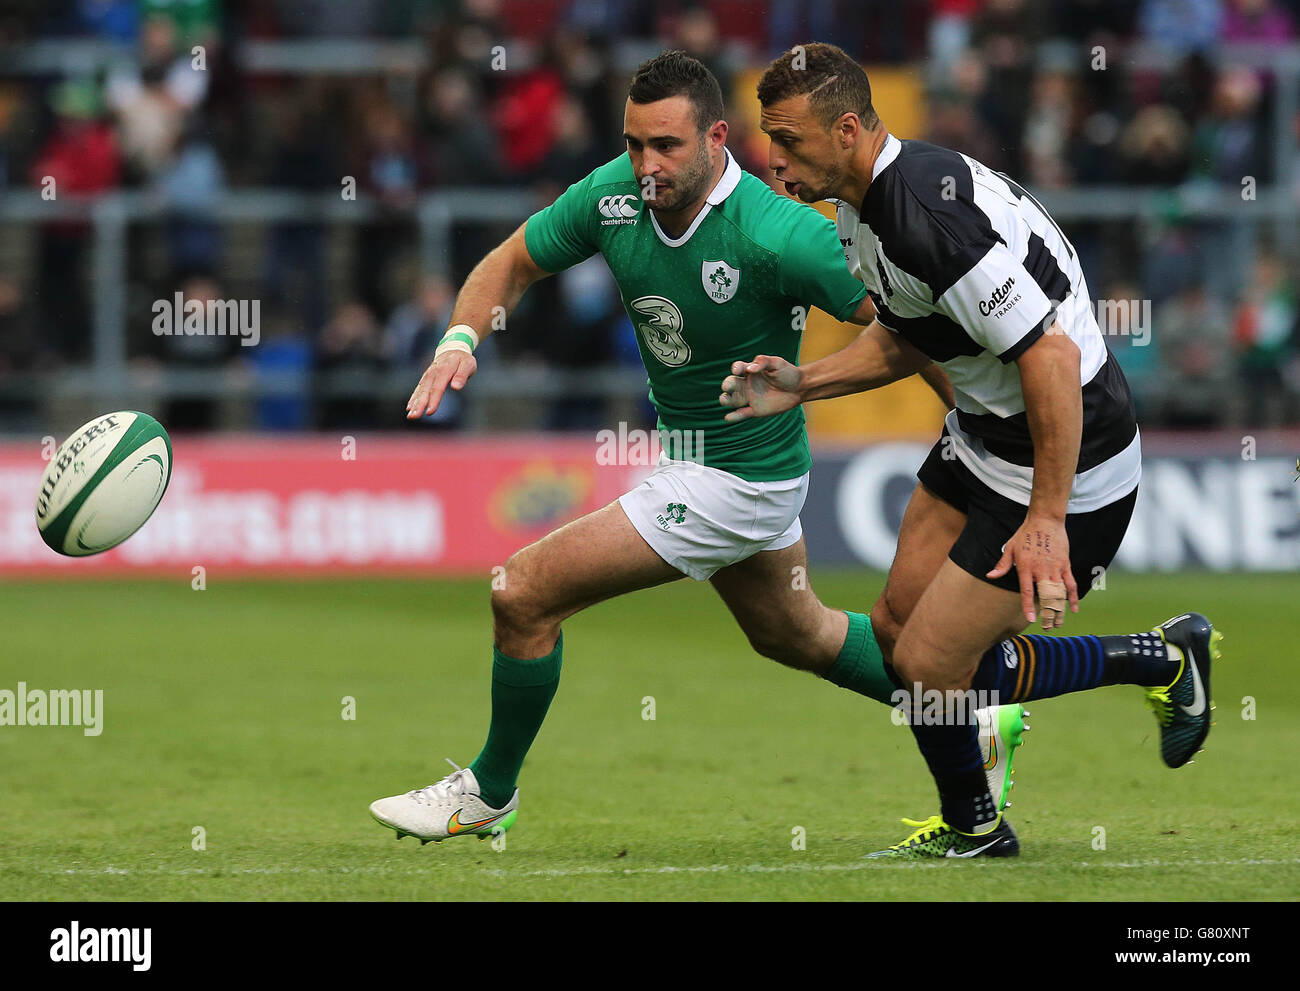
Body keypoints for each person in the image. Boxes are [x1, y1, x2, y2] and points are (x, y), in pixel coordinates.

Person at [369, 51, 1026, 847]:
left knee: (522, 591)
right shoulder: (612, 195)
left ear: (718, 137)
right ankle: (973, 721)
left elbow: (913, 329)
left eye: (667, 146)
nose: (646, 165)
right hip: (693, 461)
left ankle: (489, 791)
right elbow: (513, 260)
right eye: (635, 143)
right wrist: (461, 336)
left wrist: (979, 443)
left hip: (738, 479)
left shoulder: (779, 233)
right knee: (800, 634)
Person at [719, 43, 1221, 858]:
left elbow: (1050, 356)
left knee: (928, 667)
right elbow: (913, 335)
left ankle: (983, 824)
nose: (774, 161)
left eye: (790, 140)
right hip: (987, 436)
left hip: (1070, 459)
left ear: (847, 129)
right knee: (895, 632)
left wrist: (1048, 518)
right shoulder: (859, 203)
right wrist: (802, 383)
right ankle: (1157, 661)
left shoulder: (929, 215)